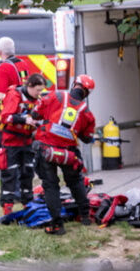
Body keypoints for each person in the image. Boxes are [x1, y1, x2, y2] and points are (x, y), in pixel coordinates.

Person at [31, 74, 97, 235]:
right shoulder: (87, 112)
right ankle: (85, 217)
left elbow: (35, 114)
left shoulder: (55, 96)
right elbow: (86, 138)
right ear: (87, 93)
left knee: (50, 185)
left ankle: (57, 225)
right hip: (69, 154)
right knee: (76, 181)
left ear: (74, 84)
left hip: (46, 148)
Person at [0, 73, 47, 214]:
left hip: (27, 141)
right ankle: (7, 207)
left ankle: (28, 204)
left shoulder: (37, 100)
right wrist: (24, 119)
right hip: (11, 141)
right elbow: (6, 117)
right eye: (37, 90)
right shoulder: (15, 95)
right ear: (29, 85)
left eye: (41, 90)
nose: (39, 93)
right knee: (10, 174)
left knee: (28, 173)